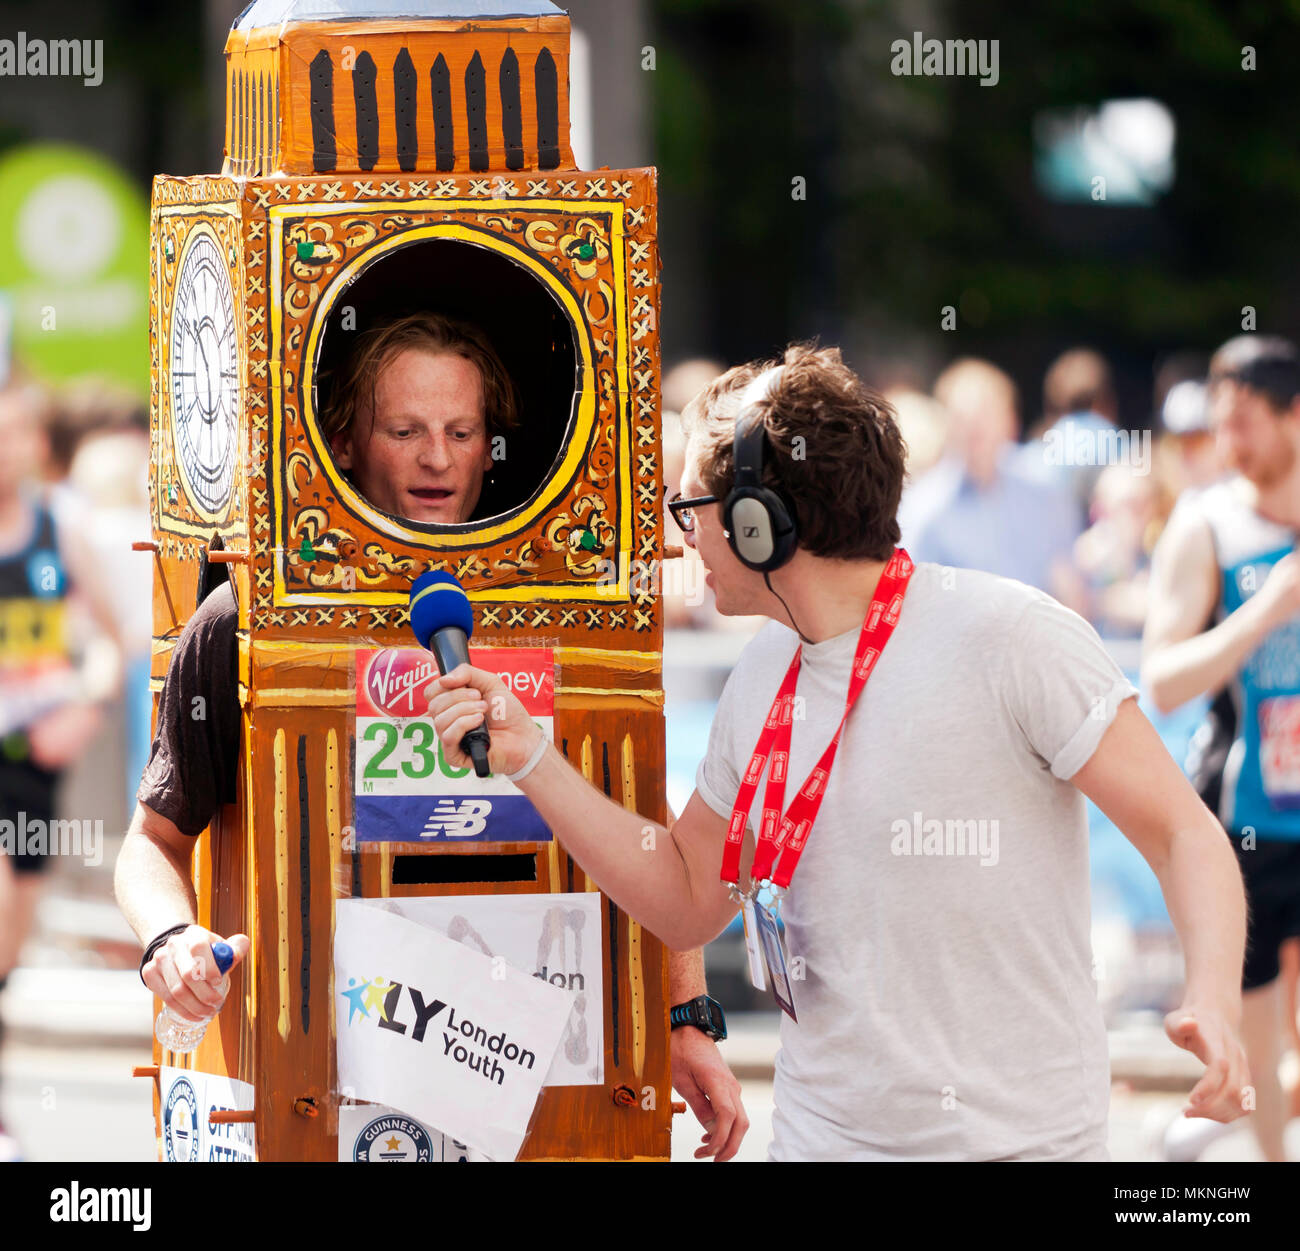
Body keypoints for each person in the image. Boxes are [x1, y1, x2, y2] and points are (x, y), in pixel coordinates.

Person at [429, 341, 1251, 1161]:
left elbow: (1185, 834)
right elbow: (684, 896)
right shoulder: (762, 672)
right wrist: (529, 754)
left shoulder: (1015, 637)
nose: (681, 543)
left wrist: (1214, 1000)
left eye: (690, 512)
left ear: (758, 523)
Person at [113, 312, 746, 1160]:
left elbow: (650, 828)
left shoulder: (576, 605)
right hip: (321, 1091)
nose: (438, 458)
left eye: (461, 431)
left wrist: (684, 1015)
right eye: (404, 430)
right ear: (344, 440)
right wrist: (170, 938)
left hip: (550, 1095)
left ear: (493, 444)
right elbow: (153, 837)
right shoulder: (241, 624)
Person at [1143, 334, 1300, 1162]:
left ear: (1294, 415)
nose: (1228, 444)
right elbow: (1161, 679)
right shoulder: (1207, 525)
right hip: (1250, 816)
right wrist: (1264, 611)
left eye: (1245, 423)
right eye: (1219, 423)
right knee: (1262, 1029)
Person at [0, 381, 124, 1161]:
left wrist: (84, 707)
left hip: (36, 760)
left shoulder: (59, 527)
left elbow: (114, 642)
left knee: (9, 949)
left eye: (19, 431)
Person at [899, 357, 1084, 610]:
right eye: (963, 417)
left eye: (985, 414)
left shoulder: (1044, 492)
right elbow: (913, 600)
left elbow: (1070, 582)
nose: (975, 428)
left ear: (1010, 419)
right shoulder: (921, 507)